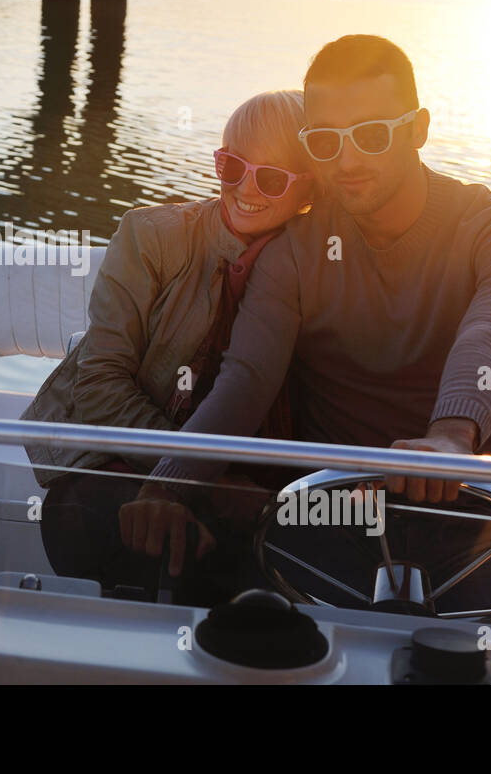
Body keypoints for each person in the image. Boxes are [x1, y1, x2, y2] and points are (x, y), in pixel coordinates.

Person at [121, 34, 491, 627]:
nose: (347, 161)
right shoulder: (297, 253)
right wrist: (166, 486)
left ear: (419, 129)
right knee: (254, 647)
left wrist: (452, 437)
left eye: (372, 134)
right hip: (328, 516)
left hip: (470, 522)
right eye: (326, 142)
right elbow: (245, 382)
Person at [21, 90, 316, 604]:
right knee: (97, 522)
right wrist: (207, 480)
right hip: (119, 455)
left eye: (270, 178)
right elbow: (99, 389)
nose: (245, 189)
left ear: (308, 190)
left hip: (251, 480)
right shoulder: (150, 236)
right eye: (231, 167)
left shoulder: (320, 260)